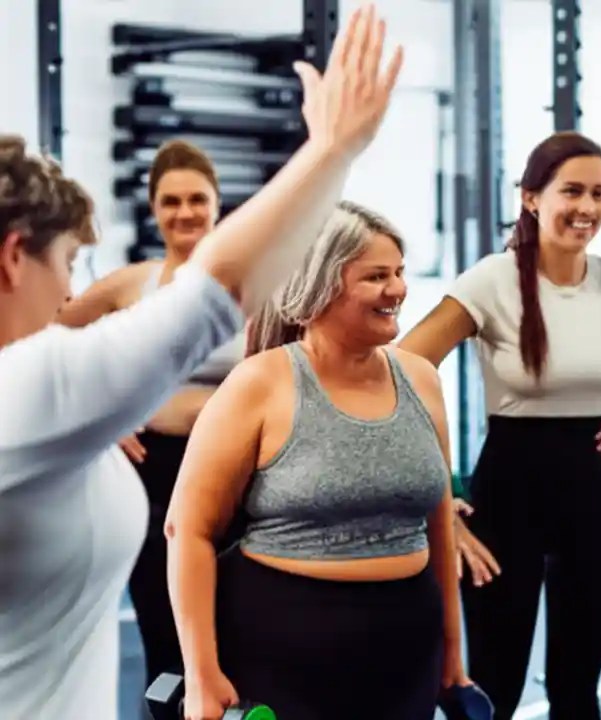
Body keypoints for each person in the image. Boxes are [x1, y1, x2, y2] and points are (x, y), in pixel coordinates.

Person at [0, 4, 404, 717]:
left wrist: (96, 427)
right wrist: (333, 147)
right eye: (63, 262)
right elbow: (218, 288)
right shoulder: (27, 394)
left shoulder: (43, 409)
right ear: (12, 260)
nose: (68, 286)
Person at [398, 131, 601, 720]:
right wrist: (441, 489)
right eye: (572, 191)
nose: (588, 208)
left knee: (578, 689)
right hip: (510, 493)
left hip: (595, 492)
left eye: (599, 193)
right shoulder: (492, 280)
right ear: (530, 198)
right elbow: (406, 364)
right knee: (494, 685)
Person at [165, 200, 469, 720]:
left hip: (406, 651)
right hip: (283, 653)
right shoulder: (259, 384)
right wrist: (201, 672)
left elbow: (438, 521)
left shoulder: (421, 379)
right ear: (321, 285)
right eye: (376, 276)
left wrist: (454, 651)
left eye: (398, 272)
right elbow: (188, 531)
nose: (397, 289)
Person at [57, 138, 244, 688]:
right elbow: (41, 344)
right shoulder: (130, 284)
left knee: (237, 633)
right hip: (153, 474)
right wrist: (101, 421)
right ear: (153, 208)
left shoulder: (253, 284)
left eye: (196, 199)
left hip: (234, 472)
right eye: (170, 201)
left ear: (217, 204)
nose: (184, 212)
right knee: (166, 637)